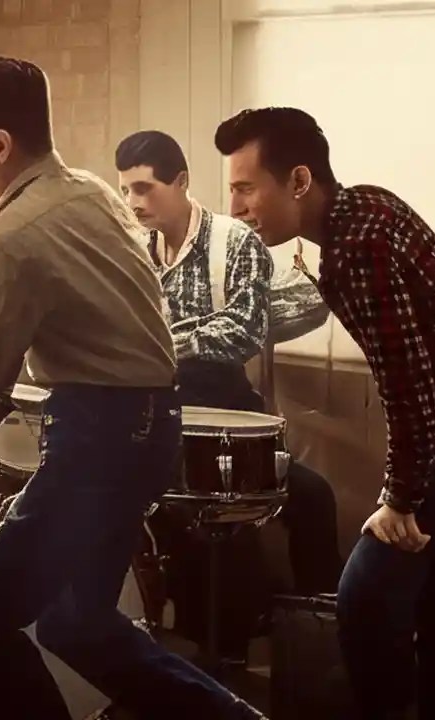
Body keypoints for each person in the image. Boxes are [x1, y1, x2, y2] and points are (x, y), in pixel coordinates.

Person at [0, 56, 264, 720]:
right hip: (149, 425)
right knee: (76, 624)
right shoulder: (91, 192)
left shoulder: (12, 236)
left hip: (99, 438)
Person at [214, 106, 435, 719]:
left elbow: (405, 384)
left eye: (246, 188)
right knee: (421, 593)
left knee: (365, 593)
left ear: (299, 181)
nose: (236, 207)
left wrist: (401, 498)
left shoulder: (356, 250)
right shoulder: (364, 203)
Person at [115, 130, 343, 662]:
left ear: (181, 182)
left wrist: (161, 345)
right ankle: (201, 647)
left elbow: (242, 331)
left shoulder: (234, 242)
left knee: (311, 499)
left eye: (144, 189)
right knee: (181, 524)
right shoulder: (134, 250)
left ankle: (320, 642)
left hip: (227, 417)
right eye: (125, 190)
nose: (133, 202)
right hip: (158, 418)